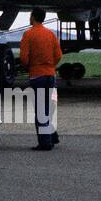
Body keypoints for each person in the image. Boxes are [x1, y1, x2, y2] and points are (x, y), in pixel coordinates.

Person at [20, 8, 63, 151]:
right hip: (50, 73)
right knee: (46, 107)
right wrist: (50, 65)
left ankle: (45, 142)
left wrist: (28, 66)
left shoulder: (28, 34)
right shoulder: (50, 34)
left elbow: (24, 58)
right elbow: (58, 55)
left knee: (40, 109)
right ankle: (52, 135)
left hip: (36, 74)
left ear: (33, 17)